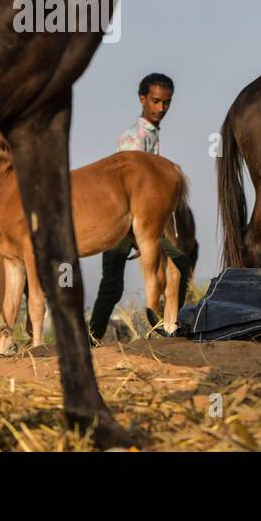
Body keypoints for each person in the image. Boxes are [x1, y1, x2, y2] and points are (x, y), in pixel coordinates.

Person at [88, 73, 192, 342]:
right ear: (142, 99)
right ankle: (91, 338)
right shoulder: (134, 137)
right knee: (112, 285)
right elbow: (127, 185)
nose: (161, 108)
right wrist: (135, 232)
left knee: (178, 262)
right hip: (121, 220)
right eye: (156, 101)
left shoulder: (152, 135)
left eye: (166, 103)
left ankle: (167, 326)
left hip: (140, 221)